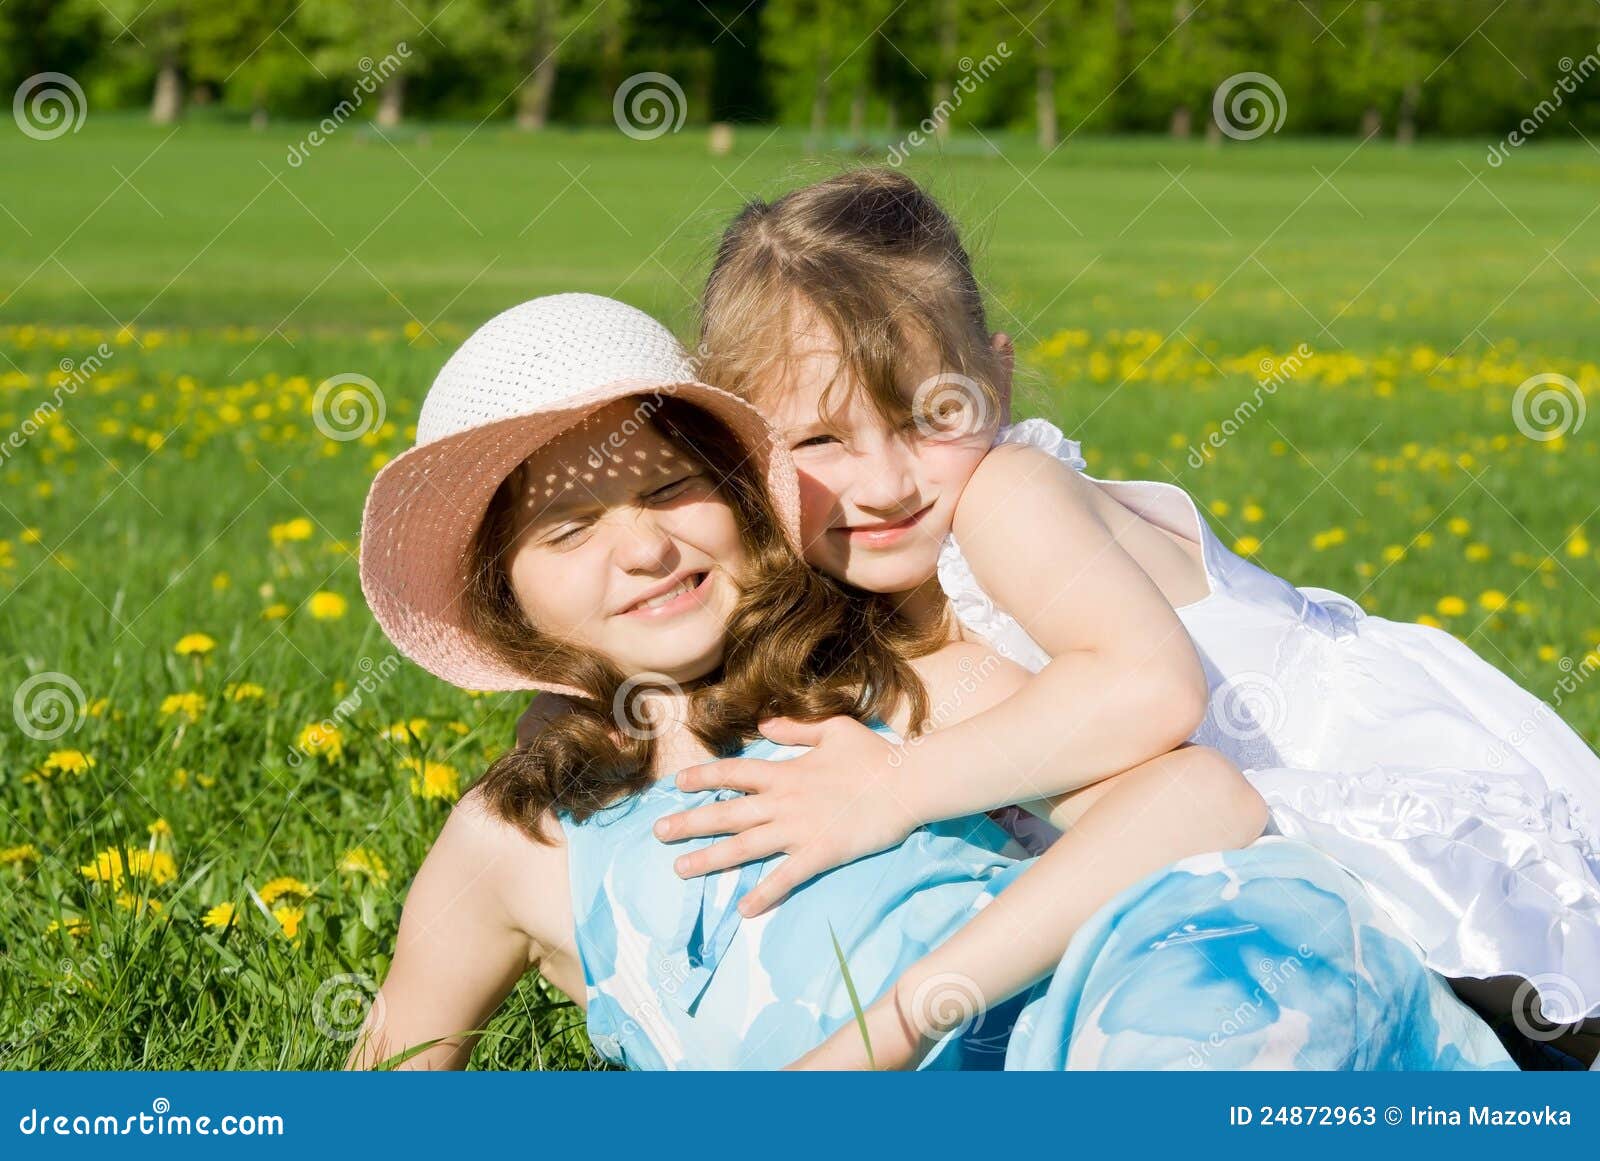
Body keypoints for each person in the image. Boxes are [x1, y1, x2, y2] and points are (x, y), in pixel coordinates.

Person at [352, 293, 1505, 1070]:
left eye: (668, 493)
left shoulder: (884, 692)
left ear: (748, 500)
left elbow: (1205, 805)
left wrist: (885, 1033)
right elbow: (394, 1074)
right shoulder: (511, 844)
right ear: (504, 596)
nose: (644, 552)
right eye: (566, 533)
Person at [667, 167, 1599, 1066]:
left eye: (926, 416)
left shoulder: (1008, 494)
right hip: (1270, 859)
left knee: (1545, 1009)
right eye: (821, 439)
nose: (885, 483)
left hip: (1374, 779)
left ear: (996, 376)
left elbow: (1148, 689)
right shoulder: (892, 603)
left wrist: (898, 786)